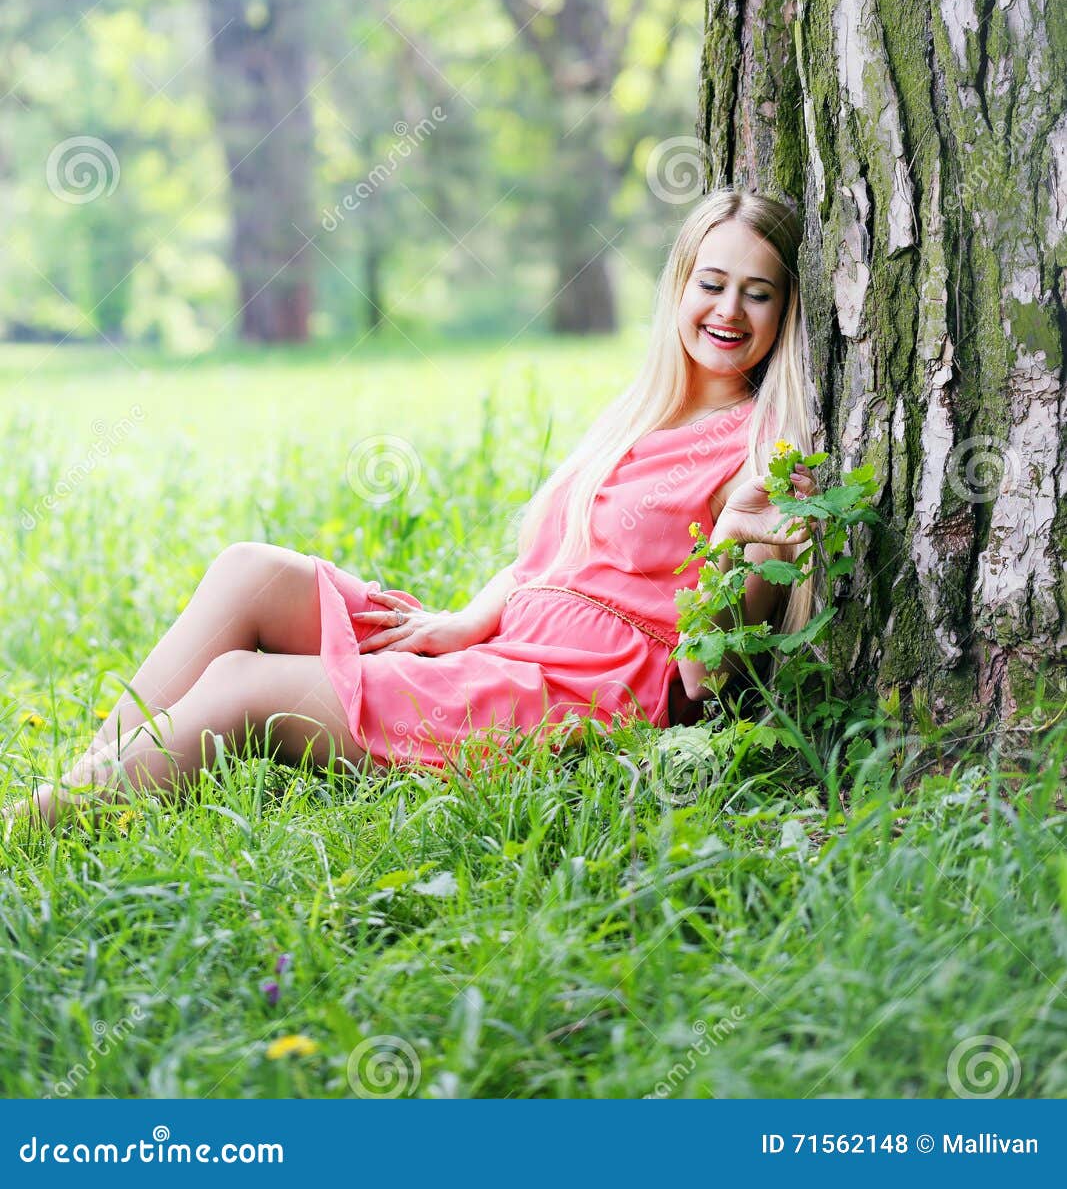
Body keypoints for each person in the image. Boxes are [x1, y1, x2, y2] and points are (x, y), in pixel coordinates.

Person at [4, 188, 817, 835]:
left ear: (784, 311)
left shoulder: (759, 451)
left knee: (240, 686)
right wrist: (468, 620)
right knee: (252, 572)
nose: (728, 312)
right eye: (711, 284)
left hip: (574, 695)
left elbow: (710, 681)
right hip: (508, 642)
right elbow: (554, 558)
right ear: (680, 287)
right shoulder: (640, 415)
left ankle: (34, 831)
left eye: (758, 294)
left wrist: (745, 552)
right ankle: (83, 784)